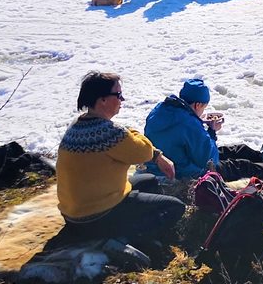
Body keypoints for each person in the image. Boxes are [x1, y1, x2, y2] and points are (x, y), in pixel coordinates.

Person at [56, 72, 184, 257]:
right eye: (118, 95)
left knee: (148, 180)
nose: (122, 99)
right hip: (97, 216)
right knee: (175, 207)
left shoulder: (78, 124)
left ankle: (120, 229)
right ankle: (126, 237)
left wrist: (150, 151)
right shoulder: (109, 133)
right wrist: (131, 132)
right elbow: (144, 151)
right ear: (102, 100)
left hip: (74, 216)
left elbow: (134, 144)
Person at [145, 78, 263, 184]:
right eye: (203, 106)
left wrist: (199, 124)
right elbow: (209, 160)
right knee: (240, 166)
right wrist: (211, 131)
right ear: (197, 105)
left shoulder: (162, 109)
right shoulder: (189, 124)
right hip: (186, 172)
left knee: (235, 149)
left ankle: (259, 156)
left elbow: (180, 134)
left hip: (169, 161)